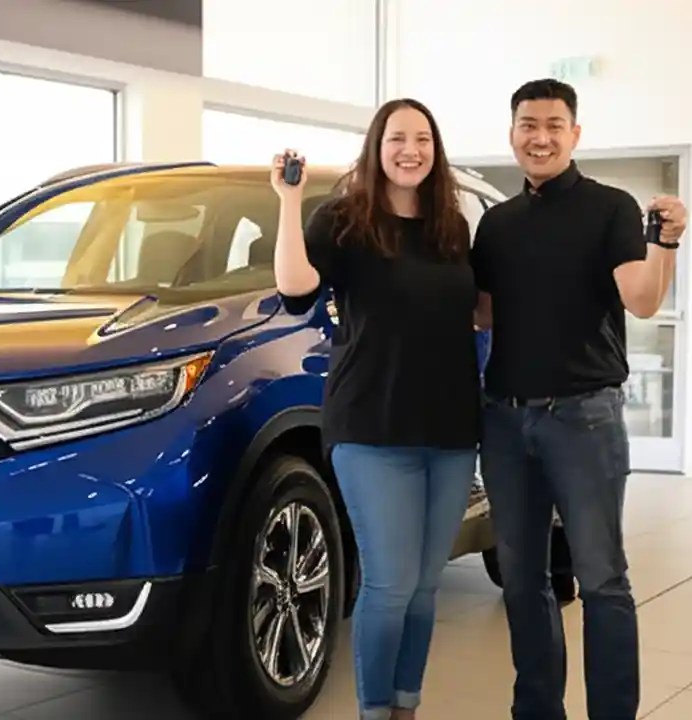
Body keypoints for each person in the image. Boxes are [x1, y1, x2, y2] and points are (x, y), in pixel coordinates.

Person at [470, 78, 688, 720]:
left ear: (575, 134)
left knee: (601, 580)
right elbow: (481, 316)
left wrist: (666, 241)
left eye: (554, 125)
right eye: (528, 125)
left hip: (584, 419)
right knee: (522, 579)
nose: (540, 137)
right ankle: (537, 709)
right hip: (505, 422)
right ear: (512, 134)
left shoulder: (610, 208)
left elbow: (643, 299)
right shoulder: (497, 223)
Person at [272, 98, 481, 720]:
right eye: (397, 138)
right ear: (377, 145)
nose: (410, 150)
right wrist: (288, 201)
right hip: (372, 426)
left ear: (435, 150)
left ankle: (407, 707)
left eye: (422, 138)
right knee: (389, 585)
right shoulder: (345, 220)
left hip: (449, 429)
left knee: (423, 588)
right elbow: (293, 288)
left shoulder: (452, 227)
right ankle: (373, 710)